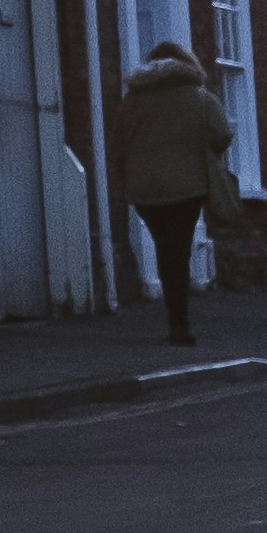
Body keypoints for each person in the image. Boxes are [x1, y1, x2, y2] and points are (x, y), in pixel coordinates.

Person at [107, 39, 238, 347]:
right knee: (176, 251)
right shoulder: (200, 97)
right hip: (186, 187)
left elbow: (116, 148)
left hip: (144, 189)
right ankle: (179, 325)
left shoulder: (131, 101)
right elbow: (222, 135)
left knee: (166, 248)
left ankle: (176, 319)